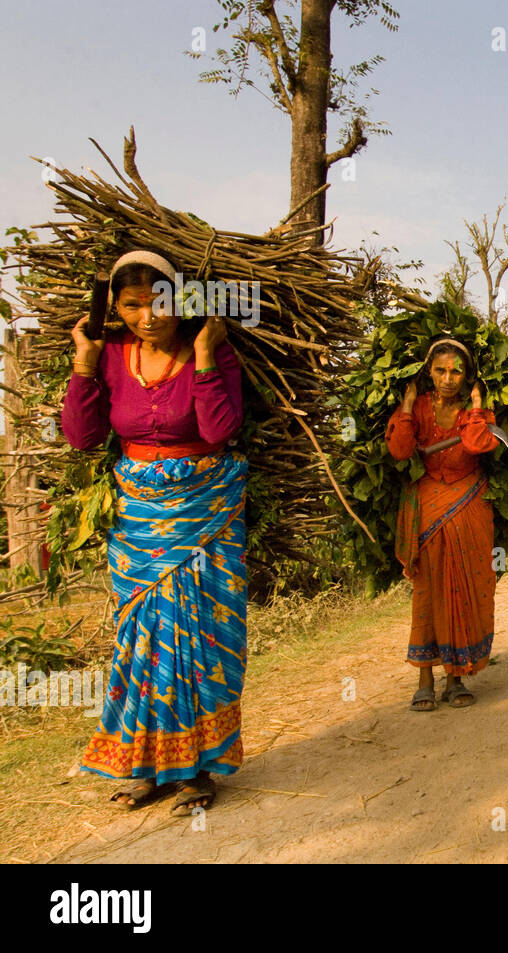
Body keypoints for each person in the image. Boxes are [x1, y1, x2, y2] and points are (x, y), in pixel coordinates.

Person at [62, 249, 245, 817]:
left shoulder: (212, 352)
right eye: (132, 304)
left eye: (160, 301)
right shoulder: (112, 356)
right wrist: (85, 366)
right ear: (114, 308)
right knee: (140, 647)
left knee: (201, 645)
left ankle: (198, 771)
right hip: (138, 519)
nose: (148, 316)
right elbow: (82, 437)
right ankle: (146, 766)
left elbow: (220, 429)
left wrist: (207, 354)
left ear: (184, 299)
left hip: (206, 512)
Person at [386, 336, 498, 711]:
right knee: (429, 591)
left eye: (456, 371)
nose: (448, 379)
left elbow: (478, 446)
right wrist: (405, 403)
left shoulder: (473, 410)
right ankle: (424, 678)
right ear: (427, 373)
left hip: (469, 506)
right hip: (428, 507)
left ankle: (456, 676)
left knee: (462, 588)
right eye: (440, 371)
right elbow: (401, 451)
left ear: (467, 377)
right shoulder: (417, 408)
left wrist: (479, 405)